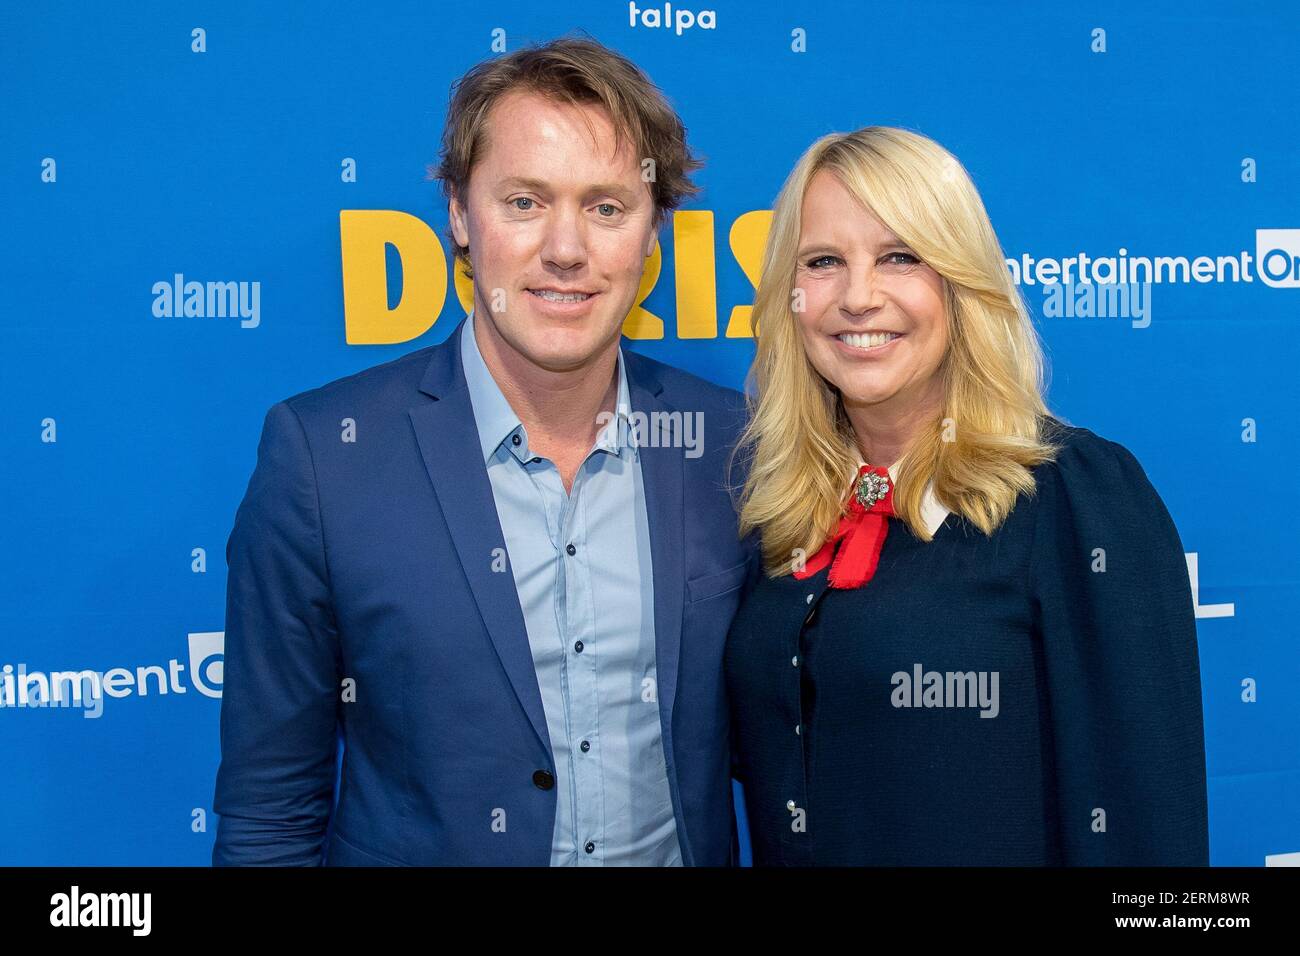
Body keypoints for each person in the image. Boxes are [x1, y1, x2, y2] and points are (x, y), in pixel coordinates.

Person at [212, 36, 757, 866]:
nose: (566, 250)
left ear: (653, 234)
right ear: (461, 216)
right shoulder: (324, 458)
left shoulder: (730, 443)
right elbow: (270, 813)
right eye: (525, 202)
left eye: (607, 207)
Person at [725, 126, 1209, 865]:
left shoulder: (1075, 500)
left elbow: (1147, 821)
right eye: (823, 262)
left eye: (900, 257)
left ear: (961, 282)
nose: (859, 297)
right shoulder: (784, 511)